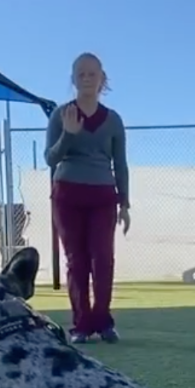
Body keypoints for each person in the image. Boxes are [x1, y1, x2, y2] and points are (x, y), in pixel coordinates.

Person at [43, 52, 131, 344]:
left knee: (102, 258)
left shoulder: (114, 120)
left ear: (102, 79)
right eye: (81, 74)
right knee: (76, 260)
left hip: (103, 196)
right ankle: (81, 325)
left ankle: (103, 321)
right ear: (73, 79)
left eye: (92, 73)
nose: (86, 78)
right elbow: (50, 158)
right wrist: (68, 135)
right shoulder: (61, 115)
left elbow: (120, 163)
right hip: (67, 194)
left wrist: (125, 203)